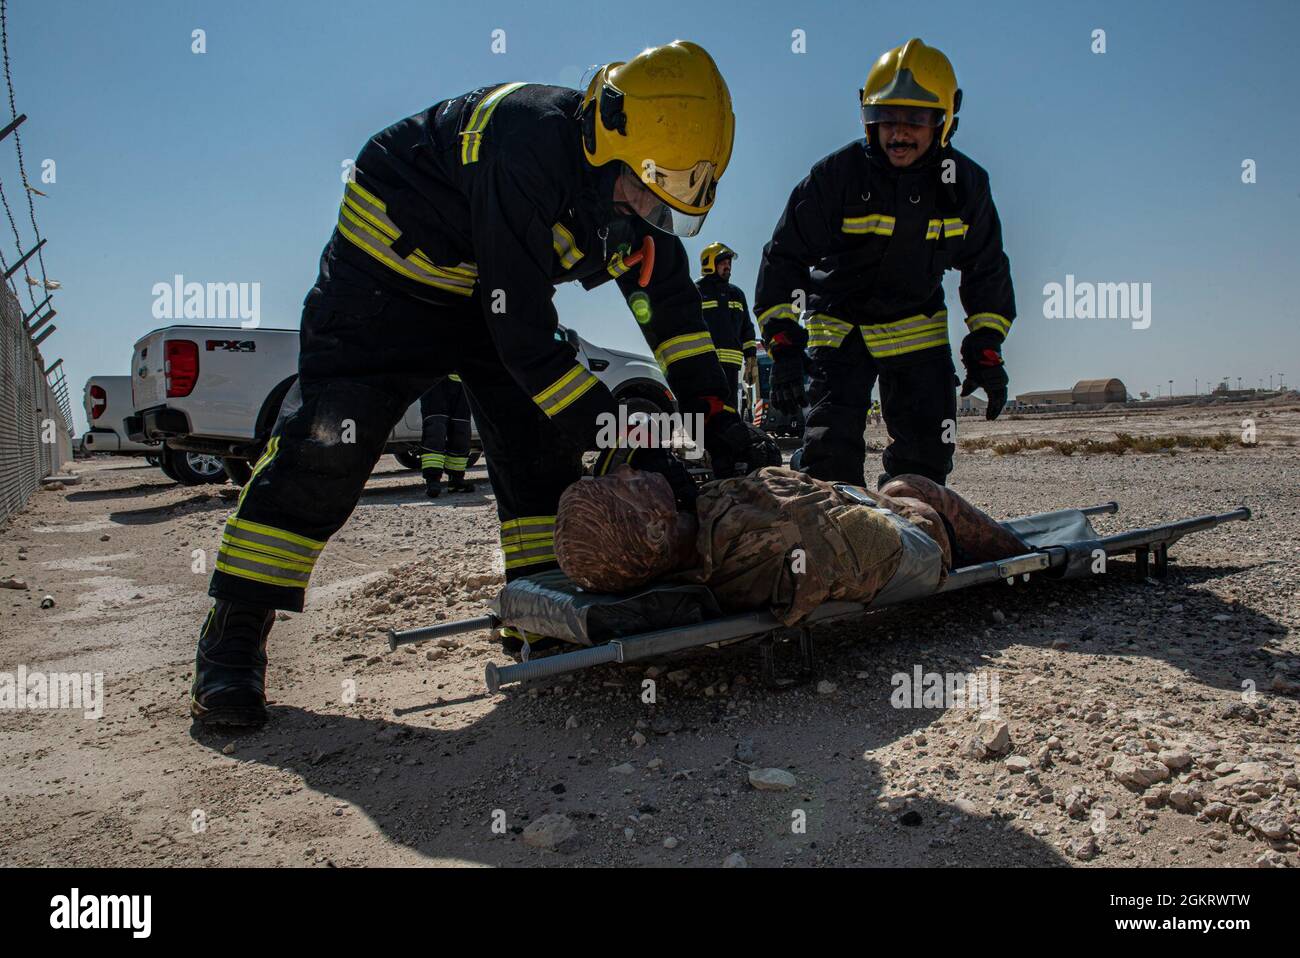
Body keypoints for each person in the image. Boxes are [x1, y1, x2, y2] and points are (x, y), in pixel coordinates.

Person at [191, 41, 758, 727]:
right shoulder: (524, 142)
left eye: (664, 202)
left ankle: (538, 607)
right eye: (641, 192)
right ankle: (234, 637)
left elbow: (670, 313)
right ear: (604, 143)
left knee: (536, 450)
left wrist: (714, 412)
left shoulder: (640, 189)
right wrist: (626, 441)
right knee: (328, 445)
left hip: (489, 294)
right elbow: (524, 336)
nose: (648, 213)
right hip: (387, 285)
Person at [754, 38, 1016, 488]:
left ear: (944, 119)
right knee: (830, 458)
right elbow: (784, 257)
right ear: (866, 116)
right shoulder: (835, 176)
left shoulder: (965, 184)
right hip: (841, 329)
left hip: (917, 331)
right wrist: (782, 340)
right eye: (886, 118)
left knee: (926, 459)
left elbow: (986, 266)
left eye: (915, 120)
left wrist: (987, 347)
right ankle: (832, 532)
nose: (899, 133)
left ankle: (908, 539)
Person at [554, 464, 1027, 626]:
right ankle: (1022, 556)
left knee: (887, 491)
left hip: (857, 534)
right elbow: (866, 535)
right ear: (654, 523)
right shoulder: (768, 519)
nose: (627, 471)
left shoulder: (689, 555)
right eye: (622, 483)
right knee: (910, 487)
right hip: (914, 549)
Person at [695, 242, 759, 408]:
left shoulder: (736, 294)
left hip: (732, 368)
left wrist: (751, 359)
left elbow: (747, 328)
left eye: (729, 263)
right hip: (705, 365)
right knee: (707, 410)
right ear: (709, 264)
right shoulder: (696, 291)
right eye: (723, 263)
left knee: (730, 411)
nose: (728, 267)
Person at [417, 375, 475, 497]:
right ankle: (432, 480)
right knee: (435, 430)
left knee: (461, 431)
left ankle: (456, 479)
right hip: (435, 381)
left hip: (462, 382)